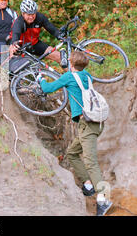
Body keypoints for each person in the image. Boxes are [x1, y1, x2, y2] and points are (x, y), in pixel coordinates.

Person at [38, 51, 112, 216]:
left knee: (91, 162)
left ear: (71, 64)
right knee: (72, 153)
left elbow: (48, 88)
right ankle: (88, 184)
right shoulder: (87, 76)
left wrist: (40, 79)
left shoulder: (69, 77)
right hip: (95, 124)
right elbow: (74, 78)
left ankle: (103, 199)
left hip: (87, 125)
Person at [9, 0, 62, 64]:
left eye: (33, 14)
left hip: (34, 44)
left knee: (60, 56)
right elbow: (15, 34)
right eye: (28, 14)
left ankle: (72, 73)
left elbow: (52, 29)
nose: (31, 17)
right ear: (23, 14)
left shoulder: (40, 18)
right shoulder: (19, 22)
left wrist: (60, 36)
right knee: (13, 64)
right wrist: (15, 44)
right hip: (20, 47)